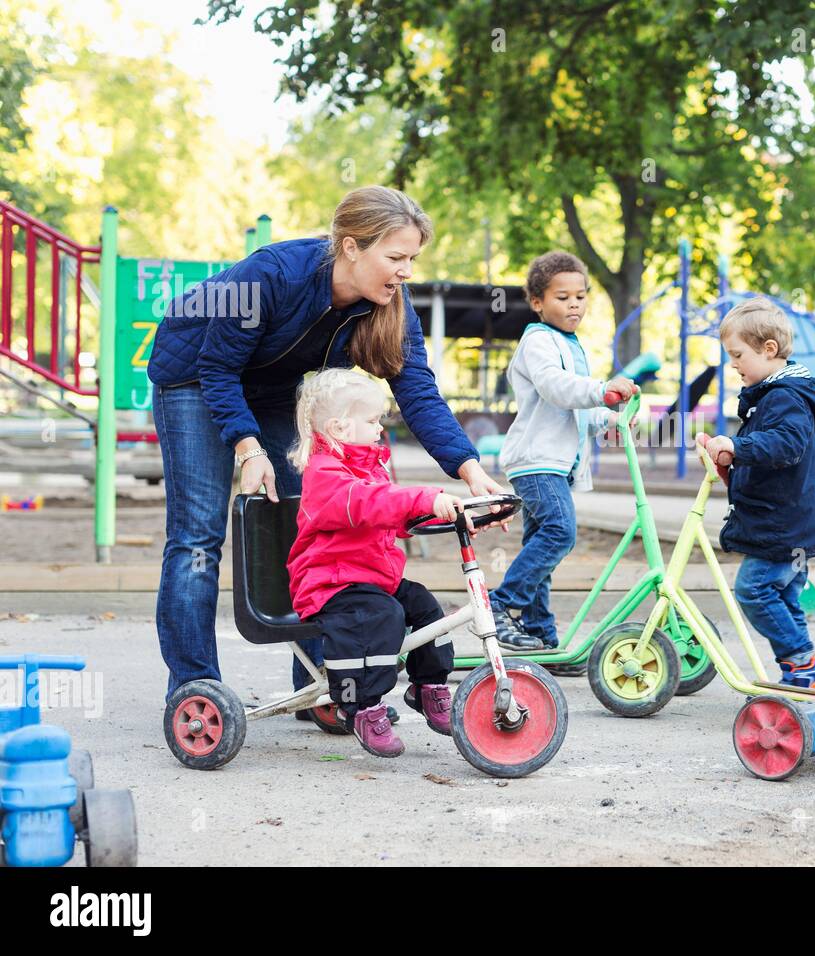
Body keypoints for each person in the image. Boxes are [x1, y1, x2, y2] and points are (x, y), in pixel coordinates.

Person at [146, 185, 506, 705]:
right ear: (352, 247)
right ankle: (194, 688)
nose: (406, 270)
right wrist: (249, 449)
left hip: (274, 388)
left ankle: (319, 683)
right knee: (197, 536)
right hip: (196, 380)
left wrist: (469, 469)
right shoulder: (271, 273)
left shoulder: (390, 303)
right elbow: (219, 368)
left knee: (312, 520)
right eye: (396, 256)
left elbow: (418, 390)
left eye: (413, 259)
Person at [286, 369, 460, 757]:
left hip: (371, 577)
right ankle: (364, 705)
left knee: (425, 605)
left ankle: (428, 685)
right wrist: (422, 498)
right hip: (332, 583)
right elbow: (367, 504)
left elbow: (393, 514)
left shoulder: (369, 467)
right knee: (379, 615)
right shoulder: (325, 475)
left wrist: (447, 514)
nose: (379, 427)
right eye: (371, 420)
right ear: (339, 427)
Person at [490, 251, 637, 650]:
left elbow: (575, 412)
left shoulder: (570, 344)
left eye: (581, 296)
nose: (574, 304)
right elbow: (556, 387)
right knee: (560, 532)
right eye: (562, 296)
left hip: (552, 465)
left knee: (541, 545)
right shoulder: (538, 341)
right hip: (535, 463)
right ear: (538, 302)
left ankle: (539, 633)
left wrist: (610, 419)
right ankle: (499, 606)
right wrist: (600, 390)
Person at [696, 296, 815, 689]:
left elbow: (785, 446)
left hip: (785, 527)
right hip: (789, 524)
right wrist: (731, 465)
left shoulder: (785, 397)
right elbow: (770, 458)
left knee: (753, 590)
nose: (733, 363)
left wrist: (738, 447)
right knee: (784, 598)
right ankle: (802, 673)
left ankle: (804, 662)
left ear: (768, 349)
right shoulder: (774, 395)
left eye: (738, 354)